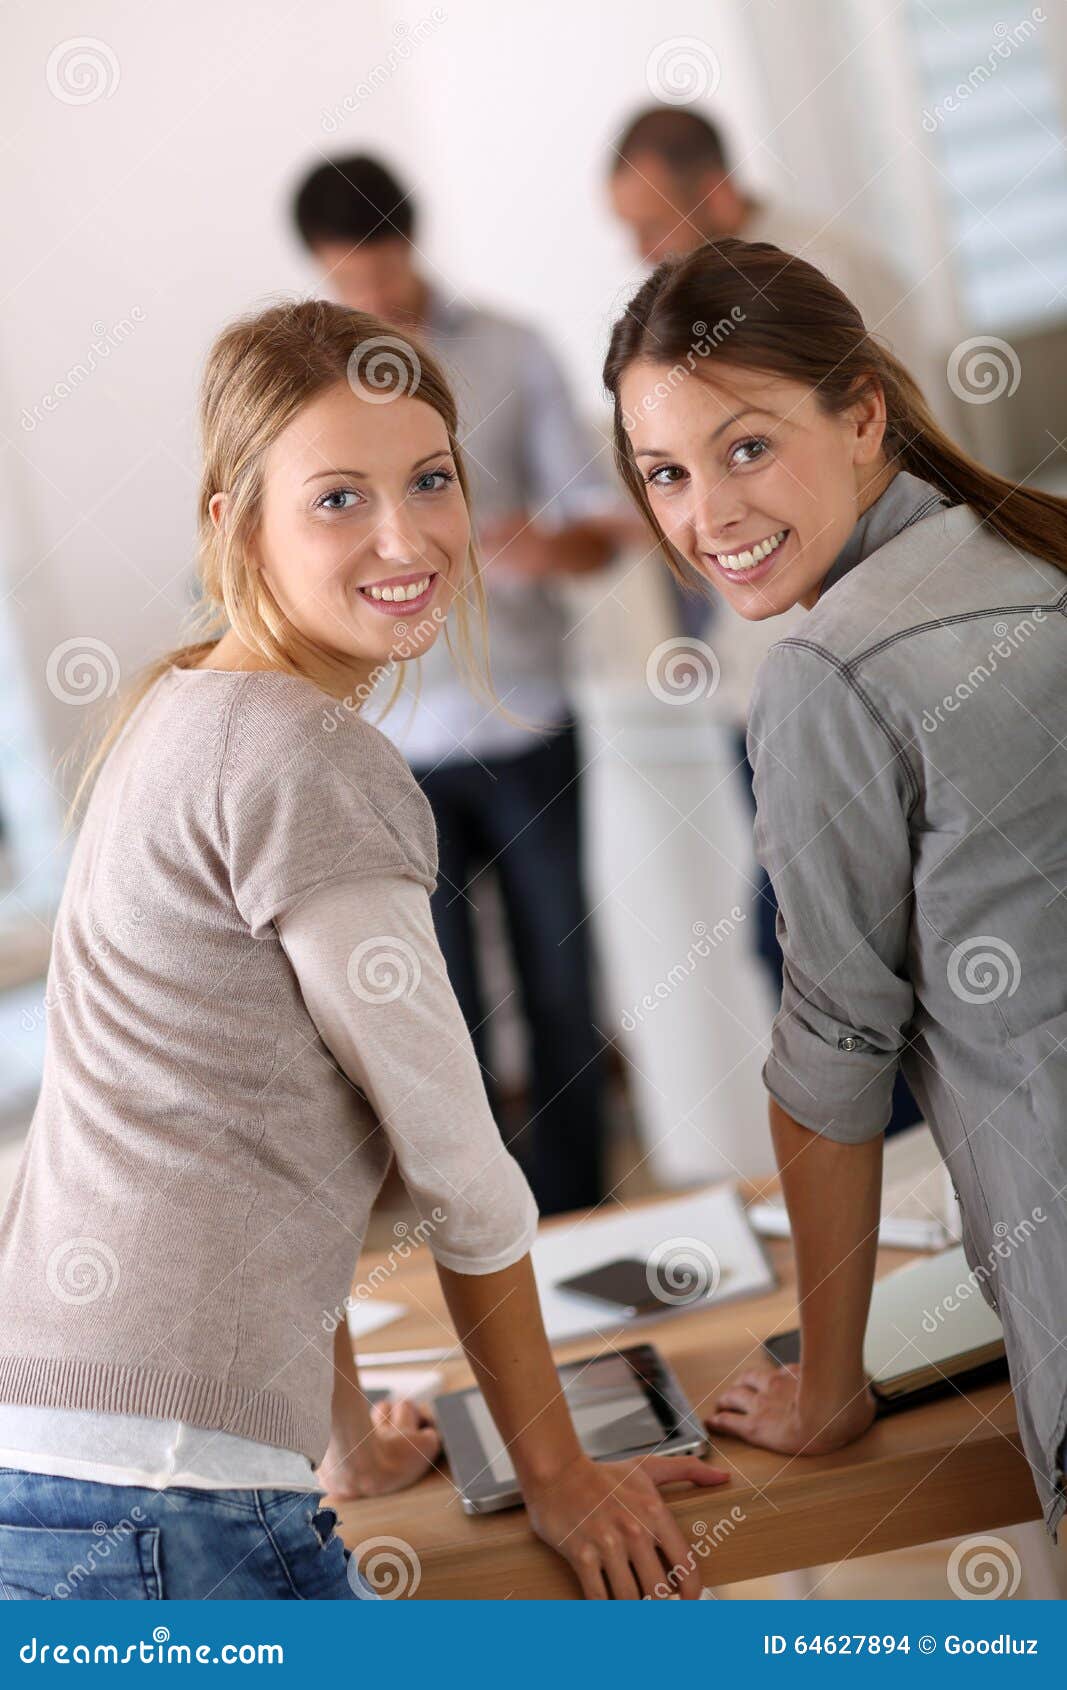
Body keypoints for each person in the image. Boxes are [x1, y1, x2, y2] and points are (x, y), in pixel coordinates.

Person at [0, 299, 728, 1600]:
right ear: (233, 523)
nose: (408, 537)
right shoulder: (307, 753)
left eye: (431, 479)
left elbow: (244, 1127)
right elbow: (461, 1170)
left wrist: (346, 1441)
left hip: (56, 1461)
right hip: (174, 1497)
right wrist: (557, 1475)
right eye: (337, 497)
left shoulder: (177, 711)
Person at [603, 237, 1067, 1537]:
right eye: (664, 474)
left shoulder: (828, 669)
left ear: (860, 412)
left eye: (745, 447)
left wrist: (824, 1381)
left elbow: (832, 1055)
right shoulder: (1030, 556)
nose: (706, 516)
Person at [292, 155, 622, 1214]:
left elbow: (602, 540)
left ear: (412, 239)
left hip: (529, 718)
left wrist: (538, 547)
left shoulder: (511, 350)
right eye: (349, 282)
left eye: (383, 272)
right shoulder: (311, 389)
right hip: (389, 747)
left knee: (562, 987)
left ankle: (574, 1214)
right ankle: (487, 1224)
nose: (375, 301)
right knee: (438, 1010)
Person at [608, 107, 933, 1135]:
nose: (638, 253)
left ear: (707, 191)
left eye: (648, 224)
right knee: (806, 956)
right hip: (764, 672)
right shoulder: (687, 317)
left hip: (856, 662)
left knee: (832, 967)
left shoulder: (819, 280)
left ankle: (902, 1195)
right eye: (667, 474)